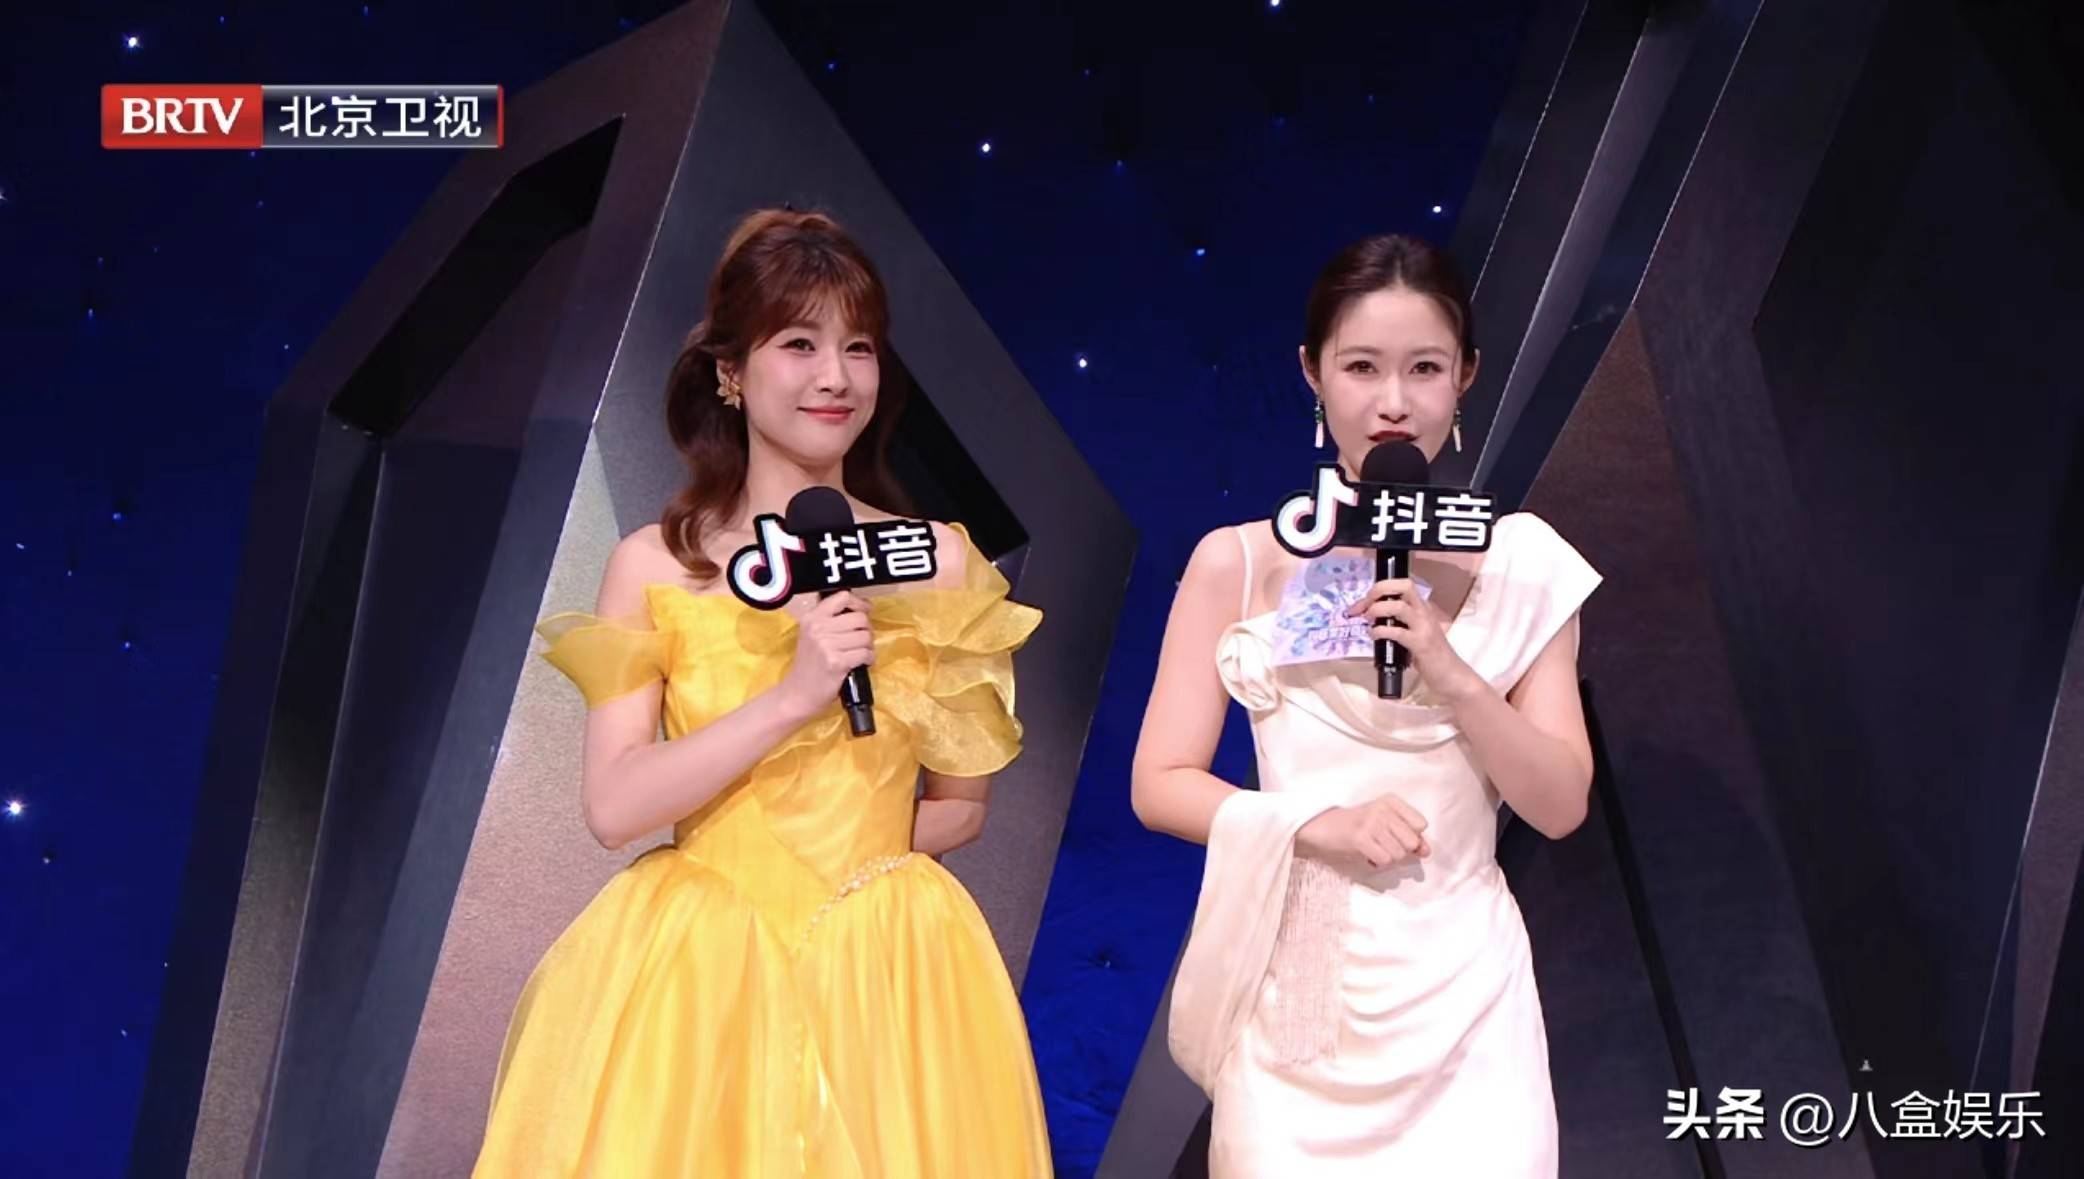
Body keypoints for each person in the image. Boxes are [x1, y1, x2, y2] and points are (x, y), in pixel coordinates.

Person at [474, 208, 1053, 1177]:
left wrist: (851, 870)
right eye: (799, 344)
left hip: (886, 972)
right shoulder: (657, 566)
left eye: (858, 347)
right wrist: (791, 697)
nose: (836, 377)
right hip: (699, 970)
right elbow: (614, 805)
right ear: (730, 372)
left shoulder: (939, 560)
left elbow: (962, 804)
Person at [1131, 233, 1602, 1176]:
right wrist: (1316, 823)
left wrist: (1451, 670)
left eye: (1425, 367)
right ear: (1312, 372)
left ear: (1466, 376)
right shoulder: (1240, 561)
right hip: (1301, 1006)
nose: (1394, 401)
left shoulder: (1523, 559)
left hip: (1468, 1005)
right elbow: (1159, 783)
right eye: (1362, 367)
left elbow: (1559, 803)